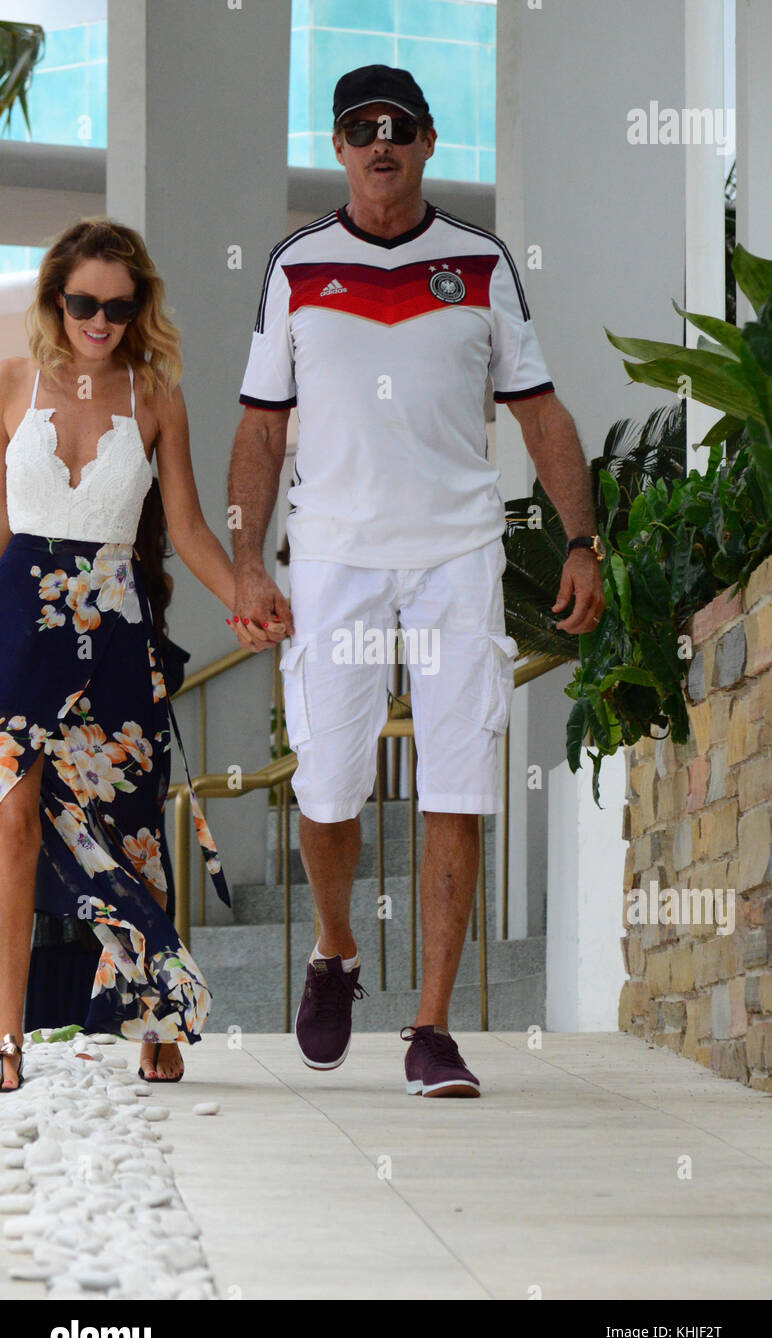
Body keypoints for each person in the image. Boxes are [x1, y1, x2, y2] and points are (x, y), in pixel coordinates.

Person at [228, 65, 605, 1098]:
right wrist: (248, 559)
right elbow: (261, 429)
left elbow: (540, 411)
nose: (380, 143)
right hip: (337, 558)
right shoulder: (297, 264)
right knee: (327, 780)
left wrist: (584, 540)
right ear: (340, 147)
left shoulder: (478, 262)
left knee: (457, 784)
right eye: (361, 128)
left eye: (399, 128)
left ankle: (432, 1028)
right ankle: (335, 953)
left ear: (430, 143)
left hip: (456, 555)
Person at [0, 217, 235, 1089]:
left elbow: (189, 531)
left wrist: (247, 598)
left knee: (132, 832)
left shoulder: (156, 395)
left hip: (114, 637)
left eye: (119, 307)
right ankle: (7, 1039)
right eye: (84, 304)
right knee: (13, 828)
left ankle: (153, 1014)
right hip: (20, 631)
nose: (100, 321)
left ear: (139, 310)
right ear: (55, 298)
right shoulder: (11, 384)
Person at [23, 478, 191, 1039]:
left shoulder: (135, 565)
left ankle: (151, 1018)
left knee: (136, 843)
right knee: (38, 836)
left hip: (117, 663)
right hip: (33, 645)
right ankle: (26, 1032)